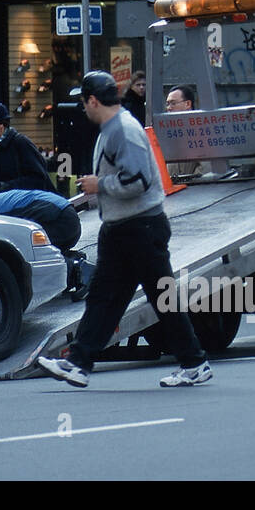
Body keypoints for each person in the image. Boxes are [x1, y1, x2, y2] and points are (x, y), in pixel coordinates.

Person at [37, 71, 212, 389]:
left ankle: (194, 362)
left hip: (139, 227)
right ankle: (79, 362)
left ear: (93, 100)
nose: (82, 108)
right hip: (126, 227)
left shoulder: (123, 131)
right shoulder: (113, 128)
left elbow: (139, 180)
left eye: (83, 101)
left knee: (152, 297)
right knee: (109, 297)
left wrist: (98, 184)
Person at [0, 189, 92, 299]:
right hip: (67, 216)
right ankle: (73, 261)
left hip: (60, 219)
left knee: (24, 251)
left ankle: (78, 270)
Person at [0, 102, 54, 195]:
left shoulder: (20, 142)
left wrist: (4, 187)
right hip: (6, 202)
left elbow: (38, 179)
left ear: (1, 124)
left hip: (33, 203)